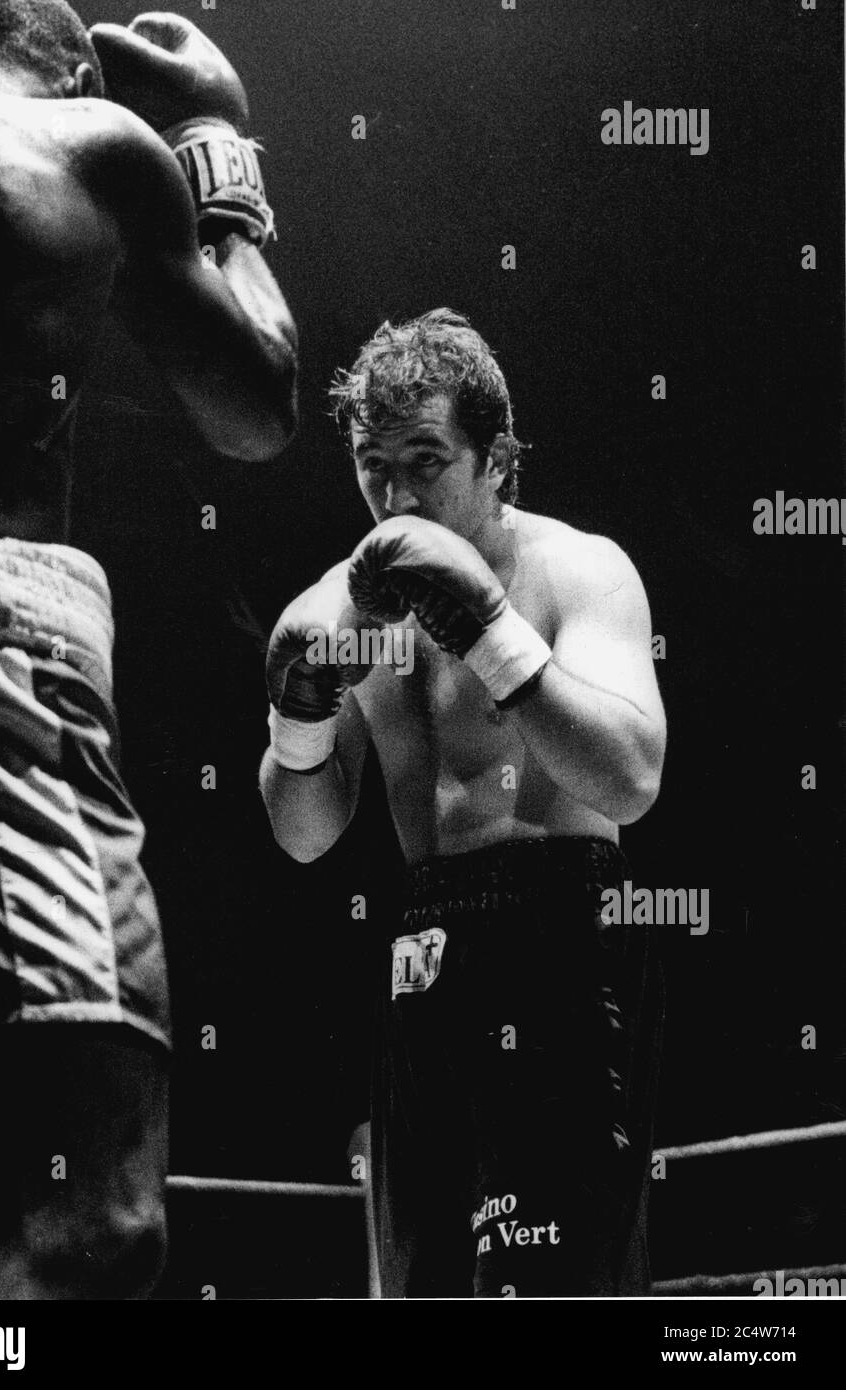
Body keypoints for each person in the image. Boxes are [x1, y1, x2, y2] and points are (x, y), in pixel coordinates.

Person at [0, 1, 297, 1299]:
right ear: (71, 65)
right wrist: (218, 140)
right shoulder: (80, 134)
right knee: (97, 1222)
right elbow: (256, 403)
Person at [260, 310, 665, 1297]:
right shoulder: (344, 610)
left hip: (558, 935)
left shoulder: (579, 569)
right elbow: (307, 835)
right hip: (419, 956)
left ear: (496, 458)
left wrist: (491, 630)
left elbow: (631, 778)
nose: (395, 496)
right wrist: (298, 720)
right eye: (372, 463)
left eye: (426, 460)